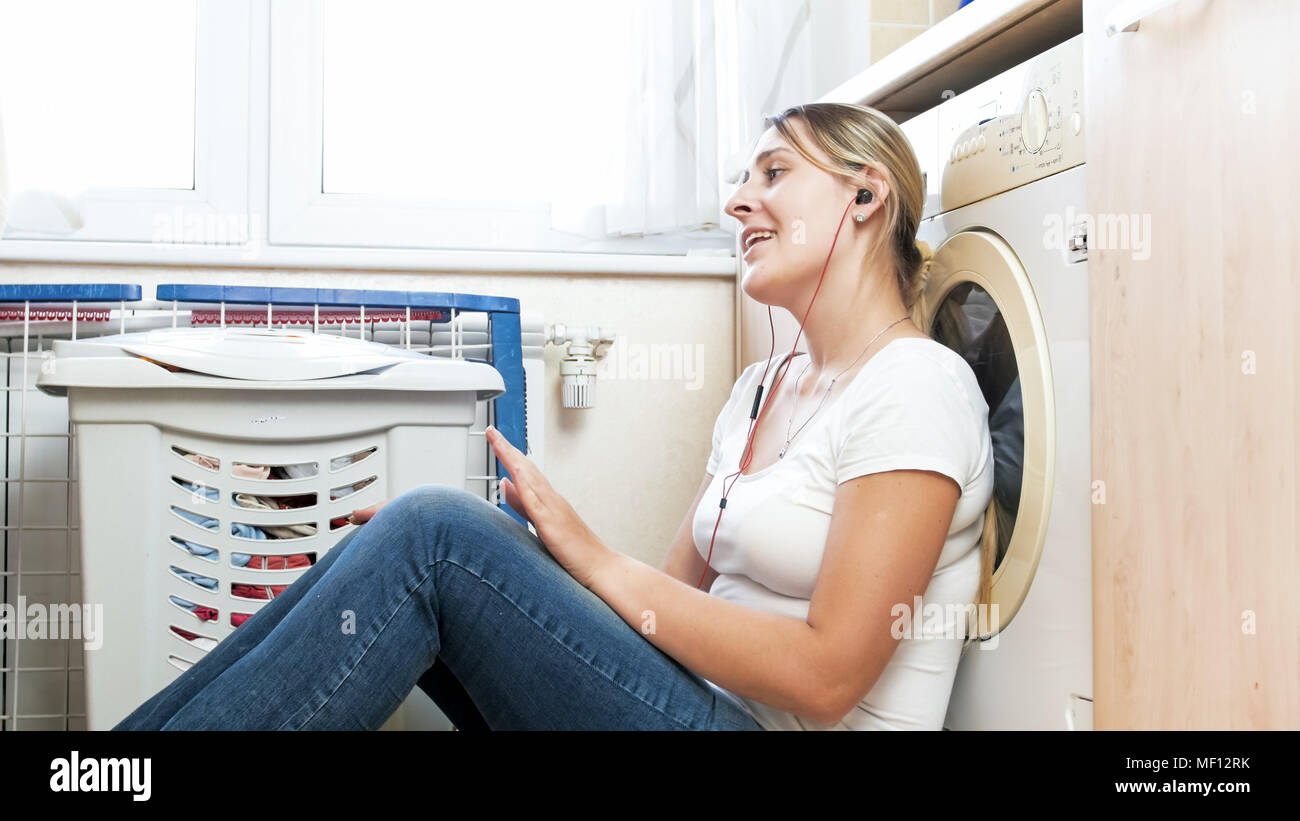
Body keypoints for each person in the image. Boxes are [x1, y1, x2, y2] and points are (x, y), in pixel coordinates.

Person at [113, 102, 995, 731]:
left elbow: (830, 673)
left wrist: (569, 552)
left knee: (435, 535)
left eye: (774, 174)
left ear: (866, 197)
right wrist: (515, 558)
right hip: (694, 702)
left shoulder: (915, 386)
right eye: (742, 180)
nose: (737, 204)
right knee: (432, 538)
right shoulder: (761, 388)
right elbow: (665, 613)